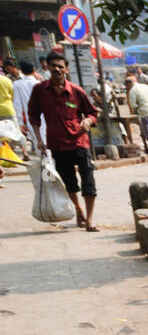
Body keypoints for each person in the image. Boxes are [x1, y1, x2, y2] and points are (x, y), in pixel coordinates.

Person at [27, 52, 100, 231]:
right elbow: (33, 116)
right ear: (48, 67)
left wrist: (88, 121)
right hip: (56, 144)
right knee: (68, 183)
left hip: (79, 142)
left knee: (88, 180)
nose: (57, 69)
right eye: (54, 66)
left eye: (61, 66)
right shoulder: (39, 90)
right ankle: (78, 210)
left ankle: (90, 219)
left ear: (66, 69)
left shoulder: (76, 91)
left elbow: (92, 112)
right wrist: (38, 139)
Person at [125, 74, 148, 161]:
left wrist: (137, 109)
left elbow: (133, 105)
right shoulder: (146, 86)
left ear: (128, 84)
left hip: (145, 114)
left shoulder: (132, 91)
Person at [12, 60, 38, 157]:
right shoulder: (39, 83)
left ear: (21, 71)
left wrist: (20, 122)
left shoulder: (17, 84)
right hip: (45, 119)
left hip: (31, 120)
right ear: (34, 70)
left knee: (39, 146)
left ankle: (46, 169)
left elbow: (17, 105)